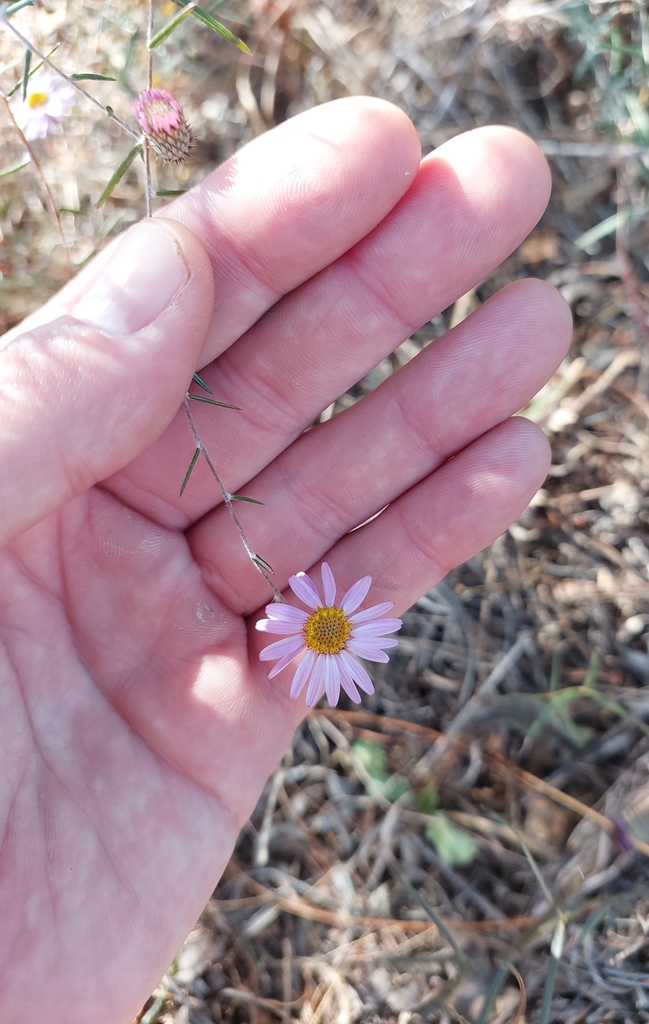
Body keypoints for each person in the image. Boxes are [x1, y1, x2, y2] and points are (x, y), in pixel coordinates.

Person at [0, 97, 570, 1023]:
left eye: (331, 629)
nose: (332, 628)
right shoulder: (307, 620)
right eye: (328, 627)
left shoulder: (313, 624)